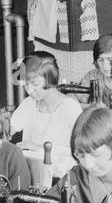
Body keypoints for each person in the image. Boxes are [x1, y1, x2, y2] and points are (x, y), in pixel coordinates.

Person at [11, 51, 84, 182]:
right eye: (26, 84)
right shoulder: (28, 104)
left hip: (63, 179)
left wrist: (39, 147)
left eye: (34, 84)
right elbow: (9, 128)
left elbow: (80, 151)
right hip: (33, 175)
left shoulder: (70, 108)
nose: (29, 90)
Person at [78, 33, 112, 108]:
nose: (105, 65)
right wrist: (90, 106)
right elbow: (73, 98)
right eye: (101, 60)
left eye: (110, 60)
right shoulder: (93, 76)